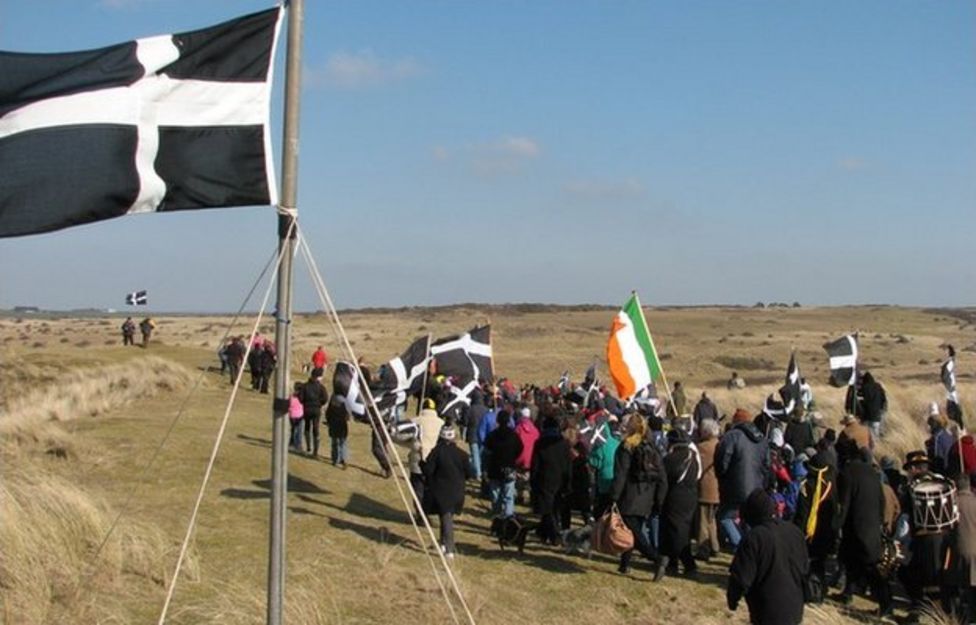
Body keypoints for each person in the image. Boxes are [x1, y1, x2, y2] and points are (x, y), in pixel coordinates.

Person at [727, 489, 809, 625]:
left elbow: (741, 577)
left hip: (766, 610)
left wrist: (733, 599)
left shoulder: (754, 538)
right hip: (795, 607)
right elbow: (805, 569)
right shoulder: (795, 532)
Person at [837, 447, 893, 619]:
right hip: (871, 526)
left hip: (854, 525)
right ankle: (848, 592)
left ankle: (887, 605)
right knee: (862, 563)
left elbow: (844, 503)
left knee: (865, 566)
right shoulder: (874, 475)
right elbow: (882, 501)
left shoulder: (848, 473)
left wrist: (838, 524)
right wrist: (880, 522)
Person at [611, 414, 667, 576]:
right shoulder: (651, 446)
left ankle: (656, 559)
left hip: (630, 495)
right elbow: (661, 476)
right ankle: (624, 564)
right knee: (632, 530)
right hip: (647, 495)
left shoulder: (627, 447)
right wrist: (658, 499)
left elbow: (621, 474)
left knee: (634, 532)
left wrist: (614, 496)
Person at [900, 450, 953, 619]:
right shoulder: (942, 482)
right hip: (945, 537)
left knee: (916, 576)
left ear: (915, 468)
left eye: (910, 469)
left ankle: (919, 613)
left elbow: (907, 518)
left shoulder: (913, 488)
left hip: (922, 539)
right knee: (938, 578)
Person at [715, 408, 771, 550]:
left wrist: (723, 477)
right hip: (756, 487)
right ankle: (752, 547)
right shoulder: (762, 439)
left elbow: (722, 461)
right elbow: (767, 464)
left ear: (736, 421)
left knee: (725, 517)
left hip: (735, 485)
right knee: (749, 520)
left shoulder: (732, 436)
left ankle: (742, 547)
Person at [792, 450, 839, 603]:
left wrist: (797, 532)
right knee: (820, 563)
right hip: (826, 531)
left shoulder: (806, 486)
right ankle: (820, 589)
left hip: (809, 532)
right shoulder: (832, 486)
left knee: (806, 562)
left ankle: (811, 591)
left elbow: (802, 513)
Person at [422, 422, 471, 559]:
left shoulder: (437, 452)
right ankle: (443, 543)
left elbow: (428, 470)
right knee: (445, 516)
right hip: (457, 491)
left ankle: (449, 548)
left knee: (446, 517)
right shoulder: (462, 454)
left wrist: (422, 463)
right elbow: (469, 473)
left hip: (442, 491)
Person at [658, 428, 701, 579]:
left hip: (675, 498)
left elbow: (663, 480)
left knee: (676, 532)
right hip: (691, 497)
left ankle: (688, 564)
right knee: (681, 530)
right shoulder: (693, 457)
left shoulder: (670, 459)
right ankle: (672, 562)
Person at [532, 417, 572, 544]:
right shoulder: (564, 444)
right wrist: (568, 481)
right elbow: (568, 464)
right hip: (561, 478)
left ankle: (554, 536)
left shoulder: (540, 443)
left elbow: (535, 464)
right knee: (554, 508)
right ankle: (543, 533)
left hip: (545, 478)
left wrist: (533, 480)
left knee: (548, 509)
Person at [484, 411, 522, 520]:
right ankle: (508, 516)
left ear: (498, 421)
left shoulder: (492, 435)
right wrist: (513, 457)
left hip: (494, 468)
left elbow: (487, 450)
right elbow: (520, 448)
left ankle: (497, 515)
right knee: (509, 495)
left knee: (496, 494)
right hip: (509, 468)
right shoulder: (514, 436)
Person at [695, 418, 721, 561]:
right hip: (717, 488)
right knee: (712, 519)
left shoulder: (703, 447)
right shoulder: (720, 445)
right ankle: (714, 545)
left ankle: (703, 549)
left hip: (706, 488)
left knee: (703, 520)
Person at [514, 407, 540, 505]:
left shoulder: (518, 428)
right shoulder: (535, 430)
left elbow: (515, 442)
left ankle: (519, 495)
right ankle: (526, 494)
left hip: (520, 457)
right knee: (527, 477)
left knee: (519, 476)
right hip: (531, 457)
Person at [301, 368, 328, 458]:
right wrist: (319, 403)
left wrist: (305, 403)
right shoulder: (321, 387)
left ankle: (308, 447)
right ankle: (315, 450)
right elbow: (325, 398)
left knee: (307, 427)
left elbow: (301, 398)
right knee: (316, 428)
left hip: (307, 408)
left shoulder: (305, 386)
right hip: (316, 409)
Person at [465, 389, 488, 481]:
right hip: (483, 435)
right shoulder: (486, 410)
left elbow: (465, 421)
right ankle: (480, 471)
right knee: (480, 454)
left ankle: (478, 474)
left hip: (472, 433)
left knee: (475, 455)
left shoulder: (470, 409)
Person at [325, 395, 349, 468]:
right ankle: (344, 459)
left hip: (334, 425)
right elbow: (347, 417)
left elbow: (327, 415)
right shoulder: (345, 404)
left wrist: (328, 422)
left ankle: (335, 460)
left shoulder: (331, 405)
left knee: (335, 443)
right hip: (342, 426)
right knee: (343, 443)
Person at [288, 381, 305, 451]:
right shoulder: (301, 398)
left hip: (291, 415)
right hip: (299, 415)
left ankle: (291, 442)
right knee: (299, 430)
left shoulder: (291, 397)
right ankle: (298, 444)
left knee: (293, 429)